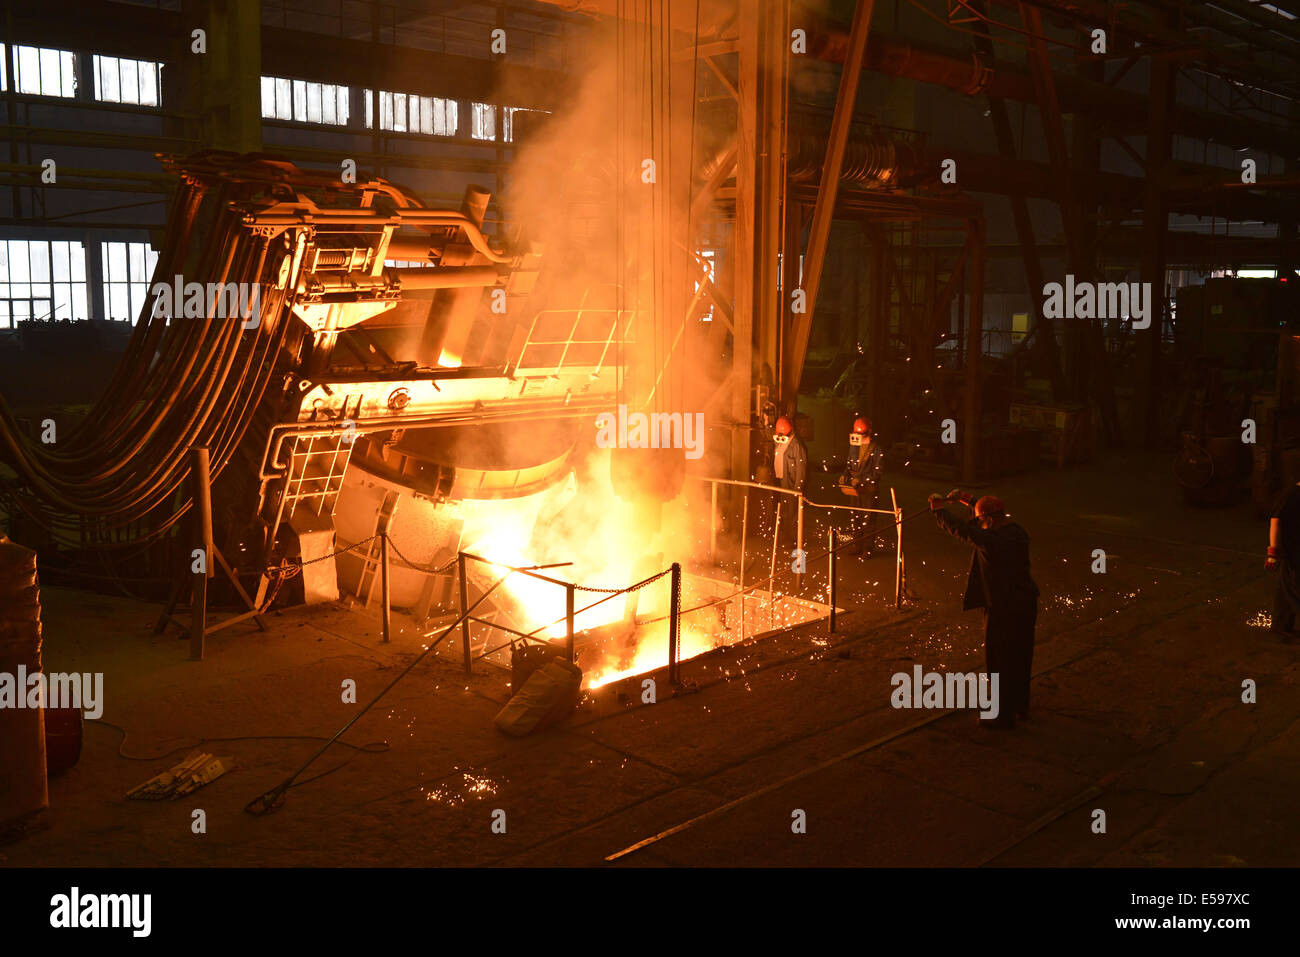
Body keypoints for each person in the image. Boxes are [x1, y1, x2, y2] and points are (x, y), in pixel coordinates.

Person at [929, 489, 1039, 729]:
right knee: (1020, 657)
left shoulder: (991, 540)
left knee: (999, 661)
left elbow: (963, 531)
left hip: (1002, 606)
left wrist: (939, 511)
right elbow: (982, 521)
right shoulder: (1017, 532)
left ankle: (1001, 716)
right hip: (1026, 603)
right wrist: (969, 500)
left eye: (980, 519)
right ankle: (1019, 706)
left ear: (988, 520)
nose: (978, 523)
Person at [837, 416, 884, 556]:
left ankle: (867, 548)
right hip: (854, 490)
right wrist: (845, 474)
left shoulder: (876, 450)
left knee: (868, 520)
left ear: (868, 432)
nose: (857, 436)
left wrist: (862, 480)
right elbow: (849, 464)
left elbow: (878, 472)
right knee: (855, 517)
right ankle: (857, 545)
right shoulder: (854, 445)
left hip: (869, 490)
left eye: (860, 433)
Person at [1266, 481, 1300, 643]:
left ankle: (1280, 626)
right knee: (1293, 589)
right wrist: (1273, 552)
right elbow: (1276, 521)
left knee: (1285, 590)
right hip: (1292, 552)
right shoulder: (1290, 495)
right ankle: (1280, 627)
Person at [772, 416, 806, 545]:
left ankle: (793, 539)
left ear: (790, 431)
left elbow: (801, 470)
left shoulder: (797, 446)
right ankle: (785, 536)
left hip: (792, 484)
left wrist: (798, 488)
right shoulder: (780, 440)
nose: (780, 436)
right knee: (785, 511)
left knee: (793, 512)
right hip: (781, 481)